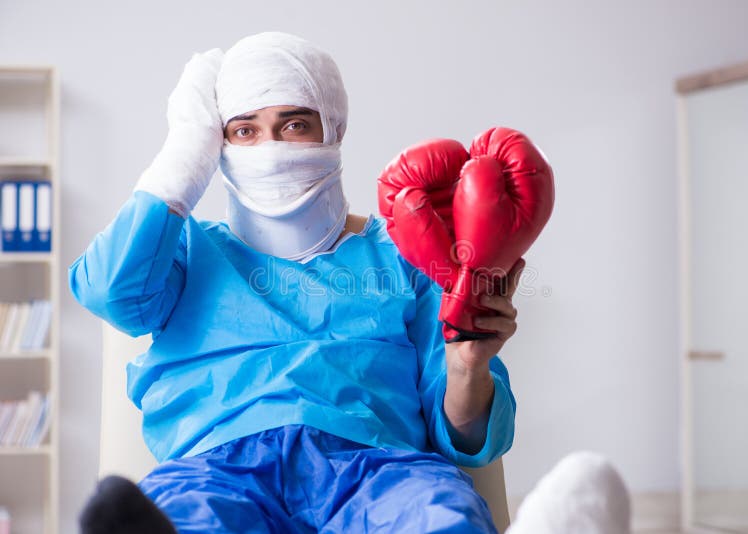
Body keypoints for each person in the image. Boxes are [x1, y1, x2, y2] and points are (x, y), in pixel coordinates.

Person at [69, 32, 520, 533]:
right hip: (215, 472)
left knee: (440, 517)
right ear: (217, 144)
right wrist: (181, 158)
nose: (271, 149)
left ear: (334, 130)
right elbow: (110, 293)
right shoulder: (184, 250)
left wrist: (466, 368)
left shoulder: (405, 252)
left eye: (295, 125)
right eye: (244, 132)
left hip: (376, 469)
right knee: (187, 522)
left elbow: (465, 435)